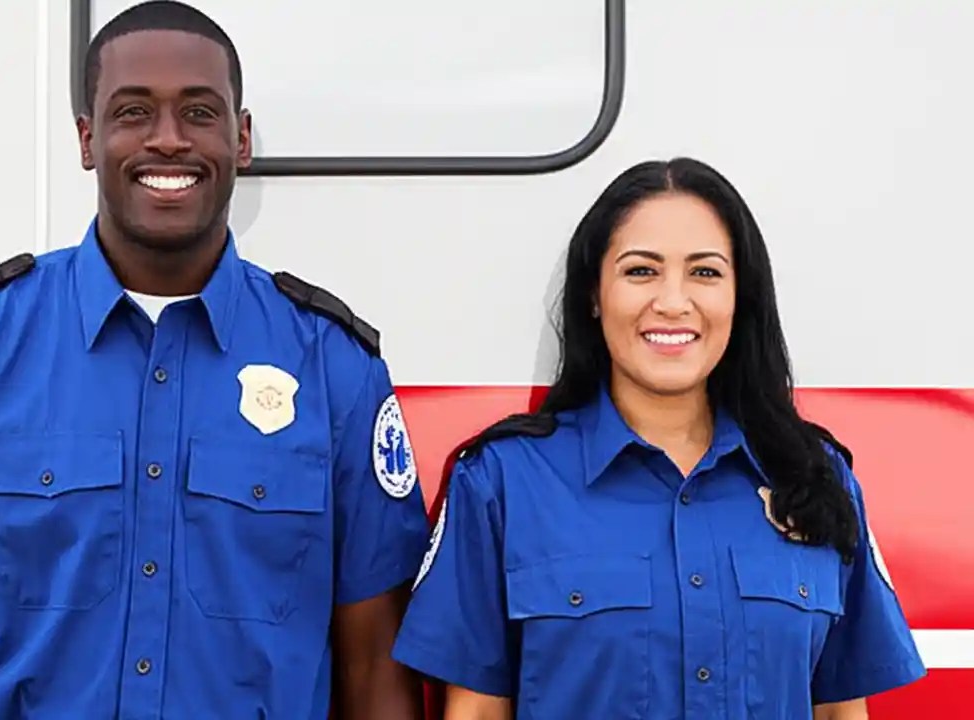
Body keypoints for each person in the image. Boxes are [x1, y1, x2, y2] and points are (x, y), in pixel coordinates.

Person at [0, 2, 430, 717]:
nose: (169, 140)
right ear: (88, 139)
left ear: (240, 140)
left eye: (201, 113)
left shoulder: (335, 367)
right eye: (134, 112)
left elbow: (374, 663)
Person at [391, 157, 926, 719]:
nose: (673, 301)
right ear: (595, 295)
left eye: (706, 272)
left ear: (741, 297)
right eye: (641, 271)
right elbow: (474, 712)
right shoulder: (503, 481)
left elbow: (842, 712)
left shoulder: (817, 476)